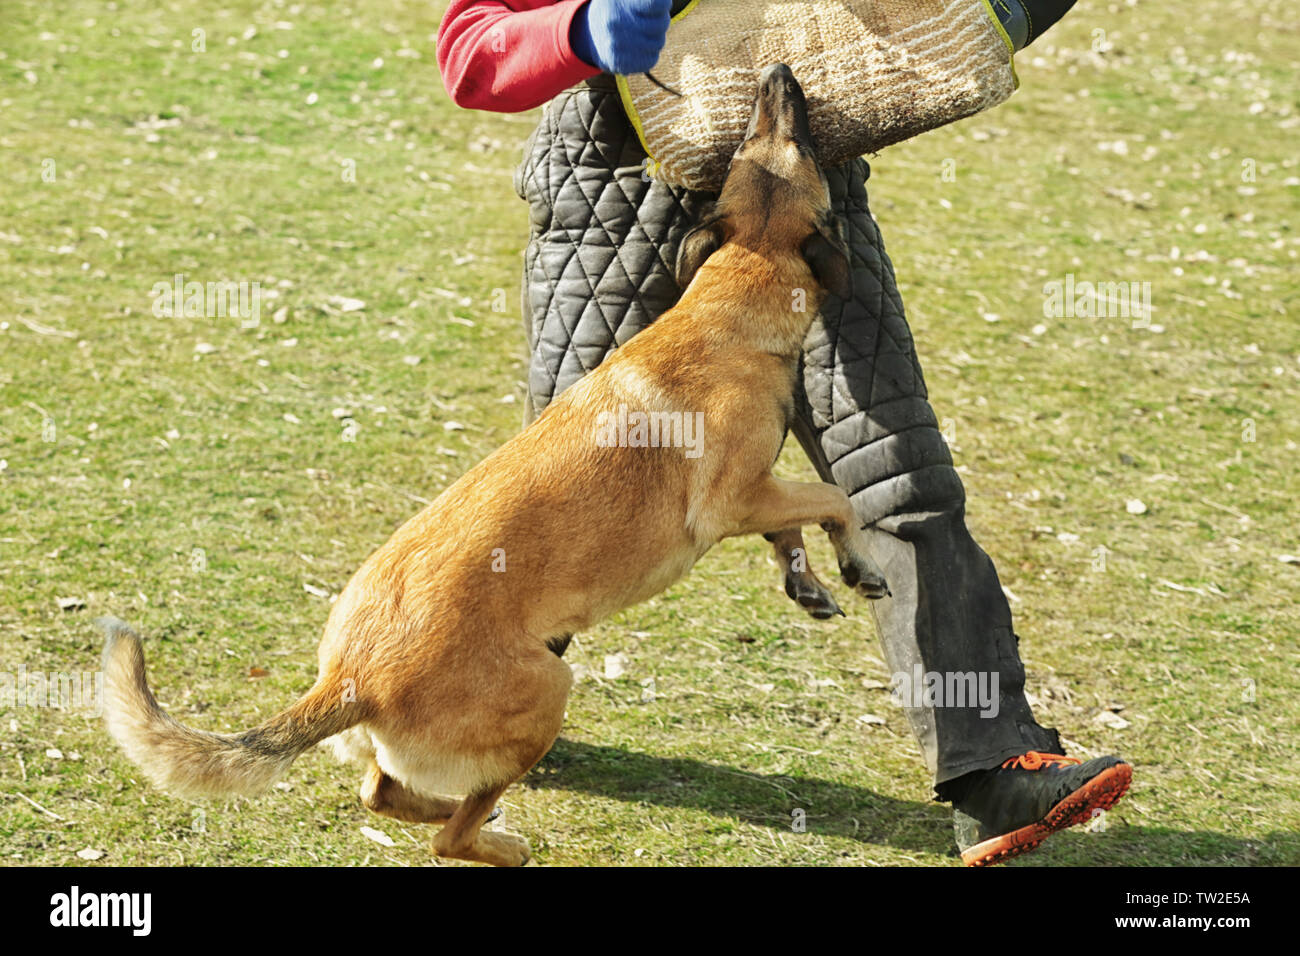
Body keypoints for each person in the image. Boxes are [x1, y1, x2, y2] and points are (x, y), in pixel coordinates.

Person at [436, 0, 1131, 865]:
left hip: (801, 208)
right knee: (555, 496)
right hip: (610, 197)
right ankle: (450, 711)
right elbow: (470, 52)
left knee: (896, 479)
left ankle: (994, 771)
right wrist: (582, 27)